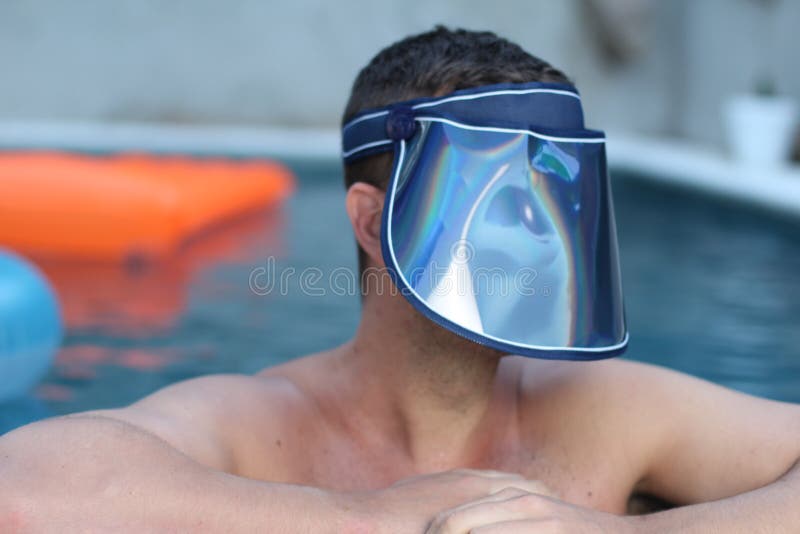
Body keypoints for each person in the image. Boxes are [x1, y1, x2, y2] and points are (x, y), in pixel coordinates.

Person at [2, 27, 799, 533]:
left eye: (555, 208)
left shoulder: (609, 415)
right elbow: (21, 492)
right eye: (493, 205)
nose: (535, 243)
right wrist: (353, 518)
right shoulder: (261, 430)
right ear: (370, 221)